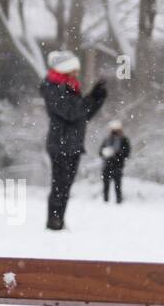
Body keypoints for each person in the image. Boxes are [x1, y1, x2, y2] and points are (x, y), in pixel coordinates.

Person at [40, 50, 106, 230]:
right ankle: (54, 221)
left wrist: (97, 97)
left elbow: (82, 115)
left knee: (65, 186)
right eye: (74, 69)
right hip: (61, 144)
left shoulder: (69, 87)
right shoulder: (53, 87)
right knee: (60, 186)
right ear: (66, 69)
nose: (77, 73)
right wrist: (91, 97)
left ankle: (58, 220)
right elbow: (72, 112)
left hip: (72, 144)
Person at [99, 119, 131, 204]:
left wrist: (115, 153)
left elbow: (126, 153)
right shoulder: (106, 140)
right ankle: (105, 201)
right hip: (107, 165)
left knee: (117, 185)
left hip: (117, 165)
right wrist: (105, 152)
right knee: (106, 185)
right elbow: (100, 152)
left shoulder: (124, 140)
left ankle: (118, 201)